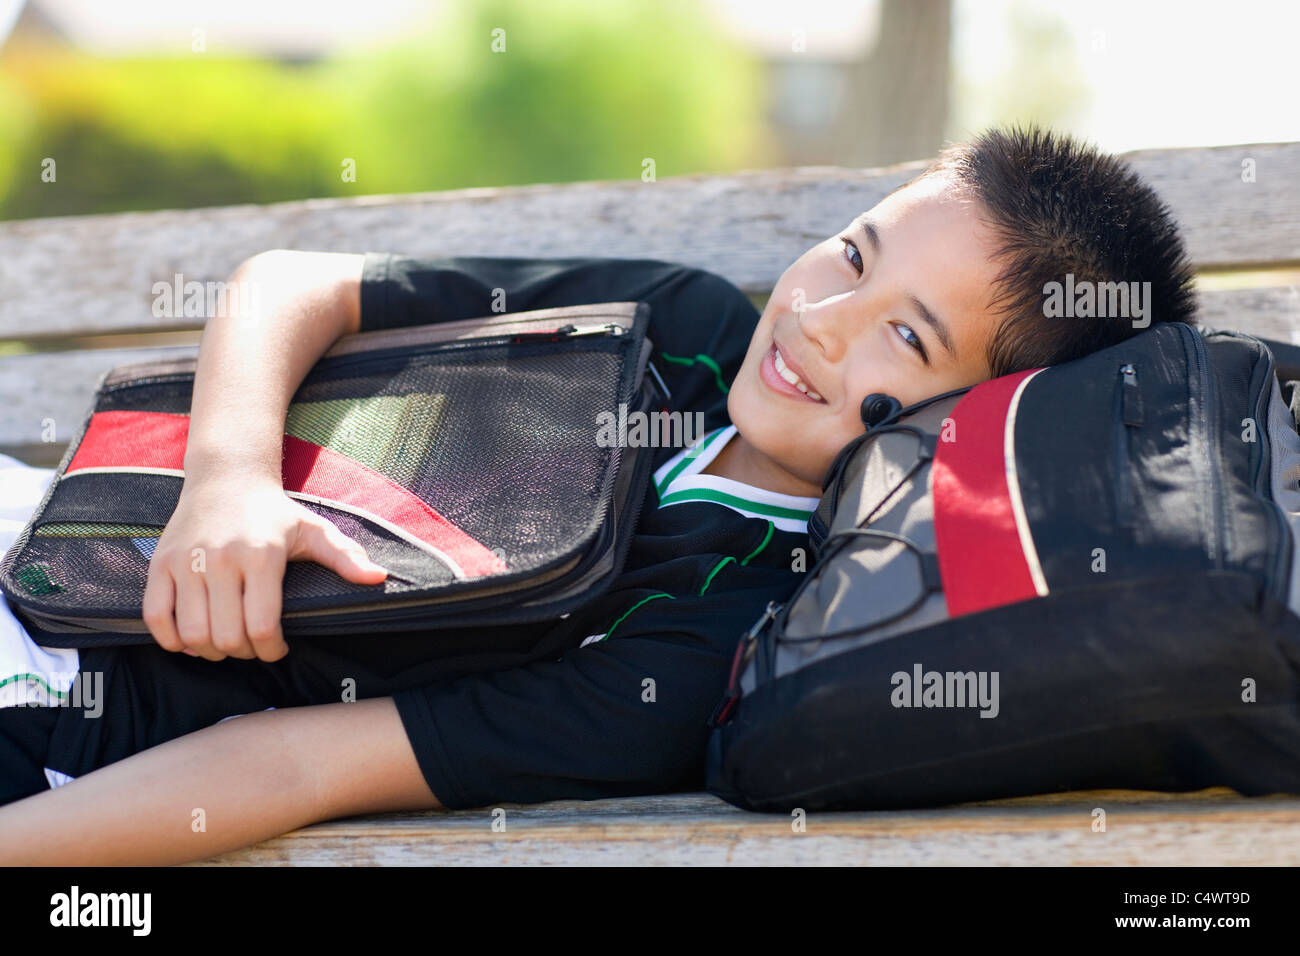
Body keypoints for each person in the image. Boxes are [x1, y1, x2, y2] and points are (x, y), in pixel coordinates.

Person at [0, 125, 1196, 864]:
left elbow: (292, 765)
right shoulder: (670, 326)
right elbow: (289, 285)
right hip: (59, 522)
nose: (821, 322)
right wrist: (228, 481)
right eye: (851, 252)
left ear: (971, 422)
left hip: (65, 704)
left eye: (905, 334)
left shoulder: (713, 638)